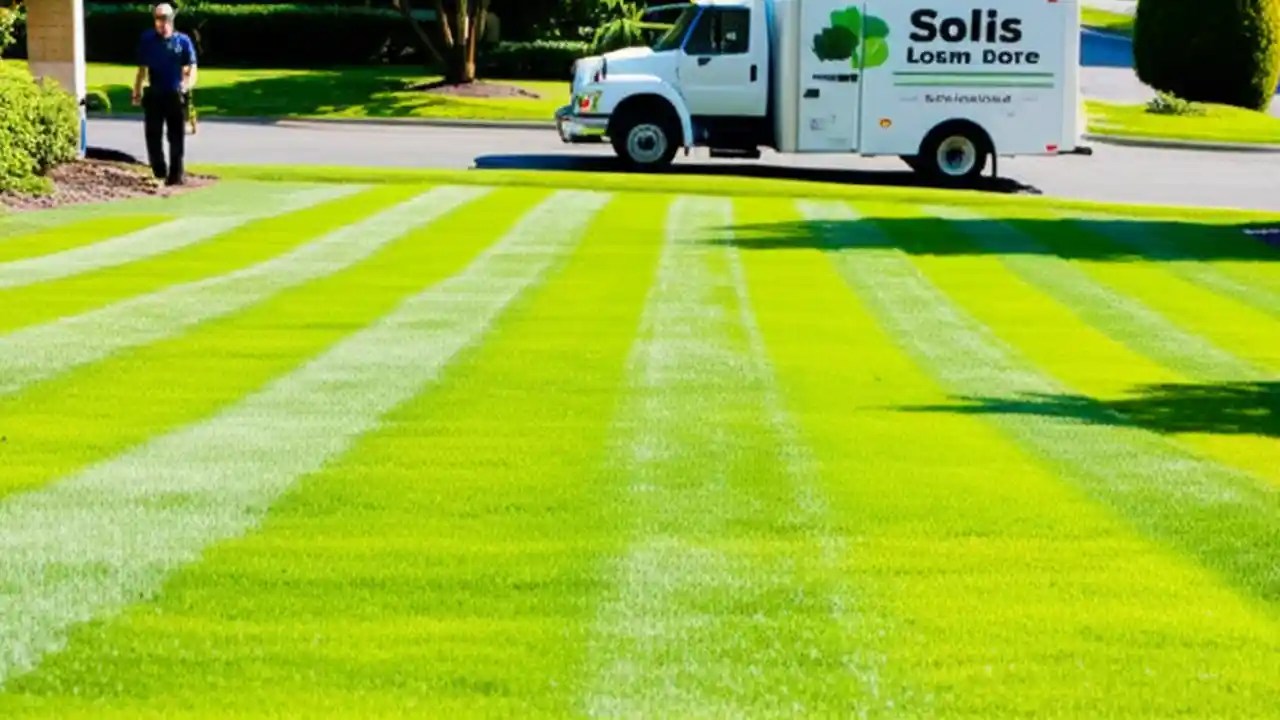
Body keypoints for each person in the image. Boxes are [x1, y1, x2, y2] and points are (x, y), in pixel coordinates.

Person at [131, 3, 197, 186]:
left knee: (176, 136)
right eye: (157, 19)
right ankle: (159, 170)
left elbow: (191, 67)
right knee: (153, 134)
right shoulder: (148, 40)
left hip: (174, 93)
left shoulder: (182, 41)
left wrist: (186, 85)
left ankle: (176, 175)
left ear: (171, 19)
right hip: (154, 93)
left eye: (164, 19)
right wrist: (136, 90)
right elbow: (142, 69)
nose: (161, 23)